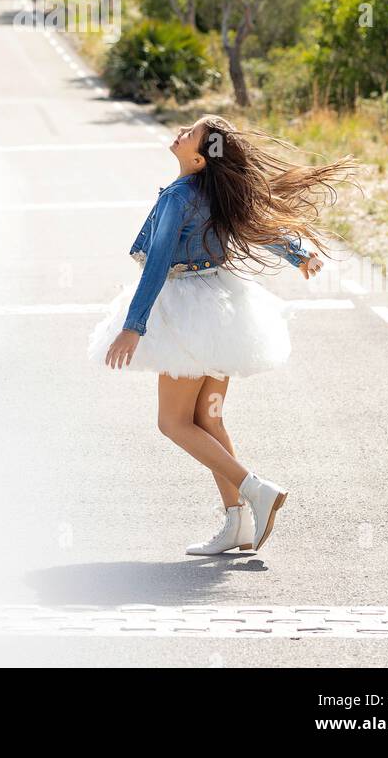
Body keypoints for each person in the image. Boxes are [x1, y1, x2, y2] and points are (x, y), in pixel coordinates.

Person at [88, 114, 353, 554]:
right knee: (208, 419)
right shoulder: (212, 193)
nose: (182, 132)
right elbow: (251, 223)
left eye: (191, 133)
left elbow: (157, 265)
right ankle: (238, 526)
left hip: (186, 316)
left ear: (199, 157)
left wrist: (133, 327)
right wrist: (298, 254)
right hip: (221, 309)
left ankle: (256, 489)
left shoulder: (178, 196)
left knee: (173, 422)